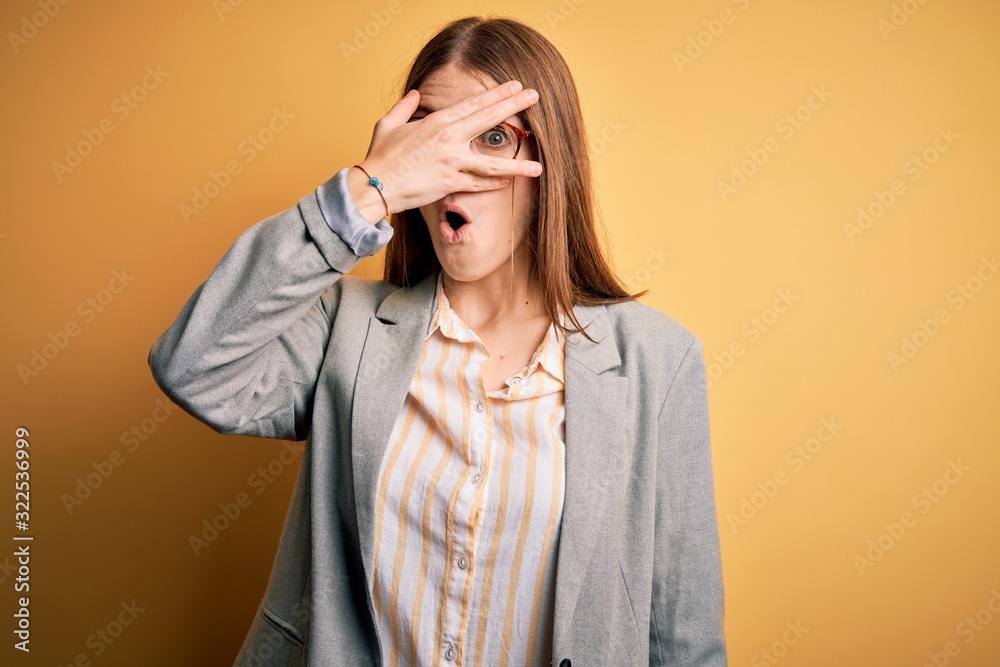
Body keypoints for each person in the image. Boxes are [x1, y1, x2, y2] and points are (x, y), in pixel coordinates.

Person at [148, 14, 727, 667]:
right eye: (432, 140)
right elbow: (192, 365)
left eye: (493, 137)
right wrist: (367, 190)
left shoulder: (658, 362)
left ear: (551, 159)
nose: (457, 168)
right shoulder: (347, 329)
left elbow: (683, 637)